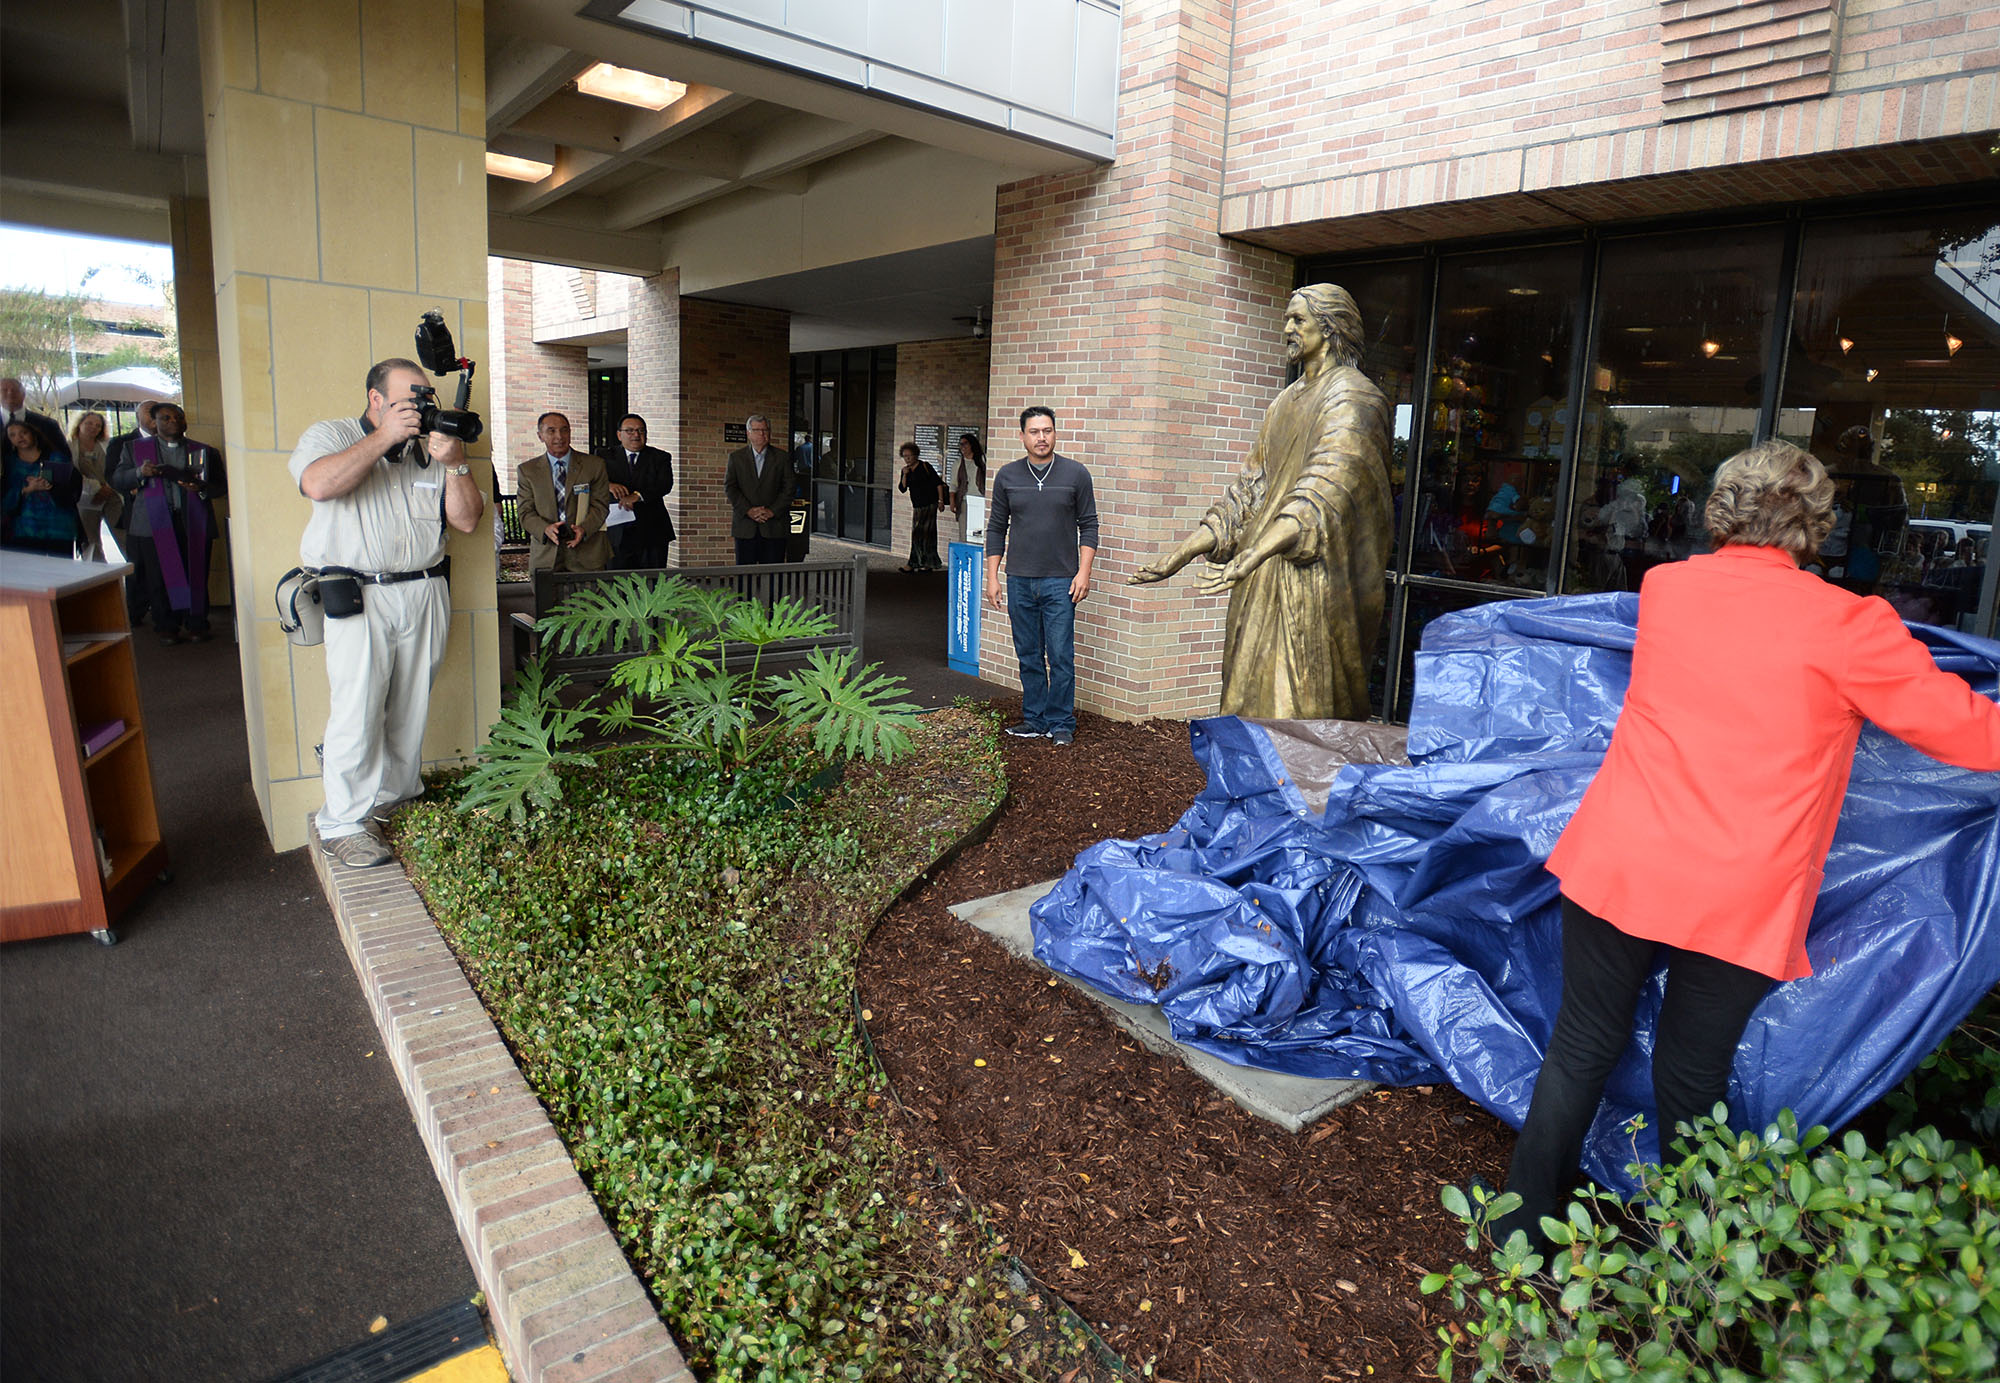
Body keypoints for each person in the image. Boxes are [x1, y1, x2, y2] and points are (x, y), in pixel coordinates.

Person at [1493, 440, 2000, 1253]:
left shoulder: (1667, 588)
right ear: (1818, 526)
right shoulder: (1849, 628)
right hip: (1738, 892)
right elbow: (1967, 730)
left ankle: (1519, 1231)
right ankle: (1692, 1264)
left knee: (1580, 1046)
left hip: (1620, 859)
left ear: (1723, 509)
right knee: (1691, 1079)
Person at [1129, 283, 1393, 721]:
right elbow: (1248, 493)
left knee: (1301, 716)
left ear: (1328, 329)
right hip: (1259, 578)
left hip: (1311, 584)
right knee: (1244, 702)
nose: (1286, 327)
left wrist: (1254, 554)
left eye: (1298, 320)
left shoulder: (1354, 397)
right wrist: (1183, 553)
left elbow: (1325, 491)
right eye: (1287, 318)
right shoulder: (1283, 402)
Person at [289, 357, 483, 869]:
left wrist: (455, 464)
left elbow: (465, 521)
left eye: (426, 398)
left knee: (411, 704)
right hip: (358, 595)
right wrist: (383, 438)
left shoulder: (431, 452)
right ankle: (343, 822)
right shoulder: (330, 434)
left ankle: (391, 799)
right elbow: (318, 485)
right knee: (357, 707)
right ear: (377, 399)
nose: (422, 408)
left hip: (423, 591)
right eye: (410, 398)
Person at [984, 406, 1099, 746]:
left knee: (1061, 655)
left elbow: (1089, 526)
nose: (1041, 438)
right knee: (1029, 654)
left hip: (1060, 581)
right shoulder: (1007, 476)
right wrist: (992, 577)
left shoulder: (1076, 474)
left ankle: (1061, 722)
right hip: (1019, 579)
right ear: (1022, 436)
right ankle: (1034, 718)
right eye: (1034, 432)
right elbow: (995, 528)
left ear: (1055, 433)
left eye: (1047, 430)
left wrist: (1084, 572)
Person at [112, 403, 225, 644]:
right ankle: (166, 626)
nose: (173, 421)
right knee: (159, 576)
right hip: (153, 522)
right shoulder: (134, 449)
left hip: (192, 520)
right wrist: (140, 473)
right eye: (165, 418)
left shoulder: (204, 451)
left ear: (185, 422)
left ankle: (197, 623)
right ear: (154, 423)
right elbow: (118, 479)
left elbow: (220, 487)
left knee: (195, 571)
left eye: (178, 417)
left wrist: (201, 488)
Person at [516, 411, 610, 572]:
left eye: (564, 430)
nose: (559, 436)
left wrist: (584, 528)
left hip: (587, 553)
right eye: (551, 431)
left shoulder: (594, 465)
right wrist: (544, 529)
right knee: (547, 597)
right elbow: (525, 512)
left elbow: (601, 505)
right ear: (540, 436)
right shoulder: (528, 471)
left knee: (590, 598)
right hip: (546, 554)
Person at [108, 400, 162, 621]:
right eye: (150, 414)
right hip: (137, 514)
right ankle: (136, 611)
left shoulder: (169, 442)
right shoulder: (123, 443)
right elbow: (113, 475)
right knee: (137, 565)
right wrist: (133, 482)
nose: (155, 418)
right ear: (138, 416)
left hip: (167, 513)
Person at [604, 413, 675, 570]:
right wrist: (608, 484)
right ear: (619, 434)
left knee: (653, 585)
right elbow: (590, 480)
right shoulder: (604, 456)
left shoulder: (660, 457)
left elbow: (664, 485)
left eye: (641, 431)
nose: (636, 435)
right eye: (630, 431)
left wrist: (637, 496)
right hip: (617, 533)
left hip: (652, 532)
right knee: (617, 584)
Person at [2, 419, 81, 558]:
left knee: (61, 574)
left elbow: (73, 490)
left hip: (59, 527)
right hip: (24, 529)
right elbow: (5, 498)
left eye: (23, 433)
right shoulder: (8, 464)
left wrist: (49, 486)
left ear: (34, 434)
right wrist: (27, 489)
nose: (19, 437)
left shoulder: (57, 458)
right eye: (12, 435)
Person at [725, 413, 792, 565]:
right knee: (744, 578)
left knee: (774, 578)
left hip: (774, 527)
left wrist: (771, 511)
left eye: (766, 430)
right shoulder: (736, 458)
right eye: (757, 430)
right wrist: (749, 510)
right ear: (748, 433)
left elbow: (789, 489)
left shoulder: (782, 458)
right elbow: (730, 488)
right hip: (745, 527)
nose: (762, 433)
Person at [68, 410, 124, 561]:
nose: (93, 427)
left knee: (124, 537)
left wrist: (107, 488)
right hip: (87, 499)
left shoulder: (108, 444)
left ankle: (137, 574)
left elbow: (118, 468)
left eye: (98, 425)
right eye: (89, 423)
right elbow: (71, 474)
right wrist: (96, 488)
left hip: (111, 495)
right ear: (79, 424)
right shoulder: (69, 447)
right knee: (91, 543)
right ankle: (98, 579)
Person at [896, 440, 945, 572]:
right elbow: (902, 488)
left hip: (930, 504)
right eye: (905, 456)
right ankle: (916, 562)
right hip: (917, 506)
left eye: (909, 456)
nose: (907, 459)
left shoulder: (925, 466)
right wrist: (905, 475)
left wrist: (941, 501)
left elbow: (938, 483)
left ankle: (927, 562)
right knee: (917, 534)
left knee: (928, 534)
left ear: (915, 455)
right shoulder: (906, 470)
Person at [0, 376, 65, 457]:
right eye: (4, 390)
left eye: (15, 390)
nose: (10, 393)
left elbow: (63, 458)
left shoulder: (48, 425)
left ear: (23, 394)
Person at [952, 432, 987, 537]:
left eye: (965, 443)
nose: (962, 447)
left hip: (981, 499)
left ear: (972, 444)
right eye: (960, 444)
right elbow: (953, 484)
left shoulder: (982, 459)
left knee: (979, 532)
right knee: (964, 531)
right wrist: (952, 502)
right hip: (965, 501)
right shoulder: (958, 463)